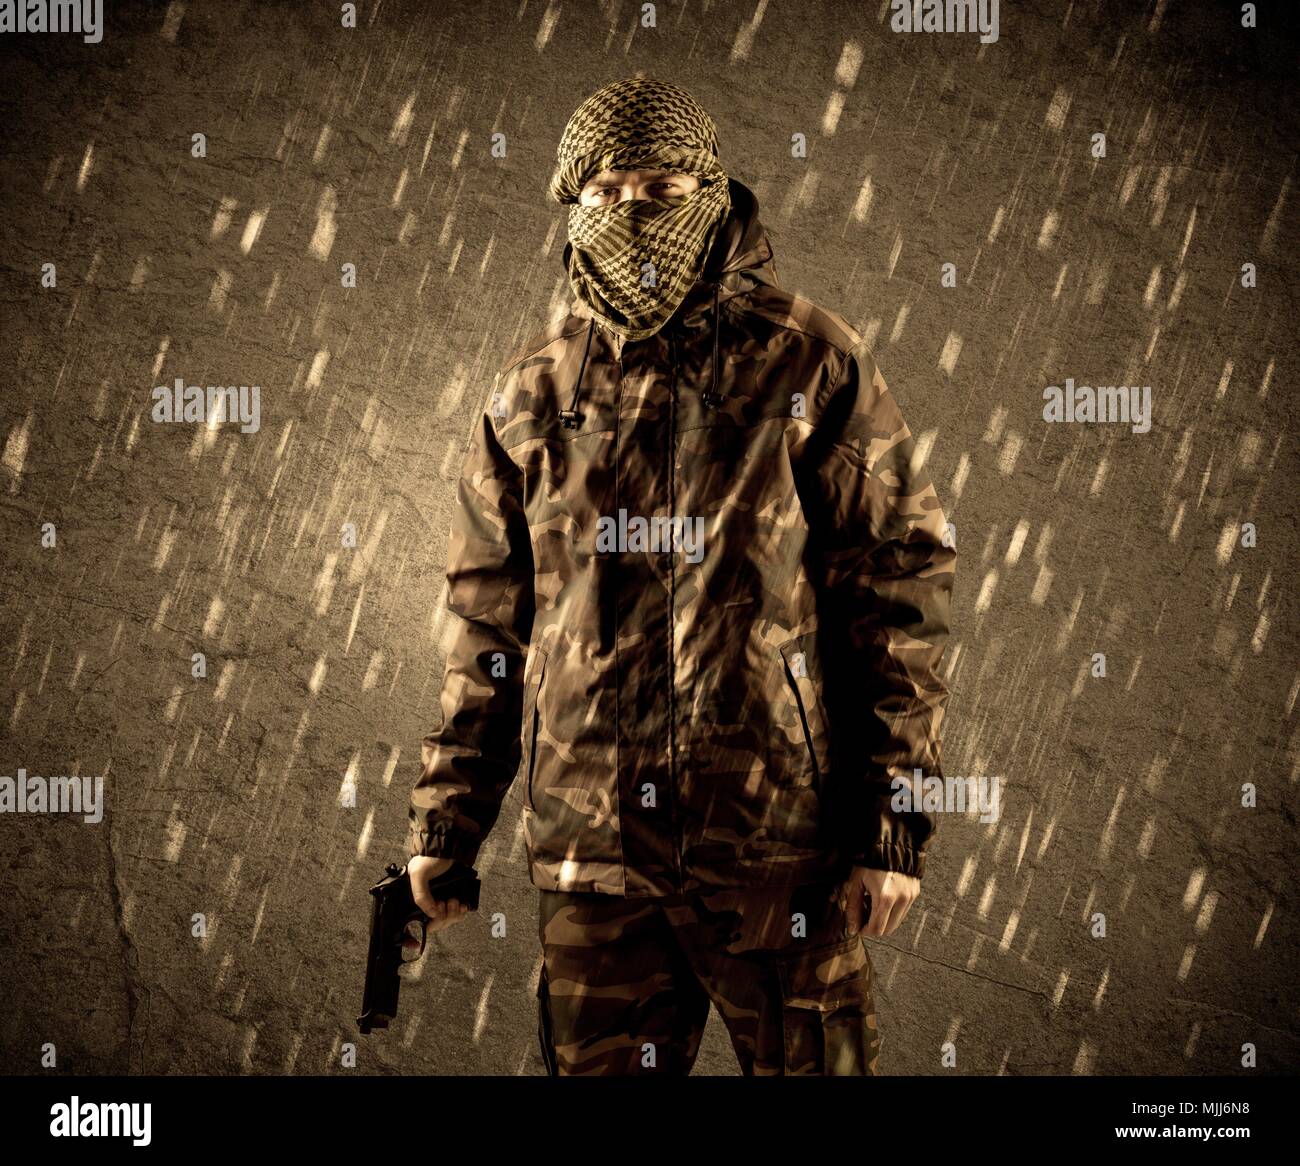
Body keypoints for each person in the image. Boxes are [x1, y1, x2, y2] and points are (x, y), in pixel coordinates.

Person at [404, 76, 956, 1075]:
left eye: (657, 190)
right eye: (604, 193)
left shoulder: (808, 361)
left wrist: (889, 820)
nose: (629, 214)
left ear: (711, 191)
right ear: (572, 205)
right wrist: (447, 819)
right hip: (593, 856)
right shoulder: (532, 391)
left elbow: (896, 591)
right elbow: (487, 628)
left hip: (775, 845)